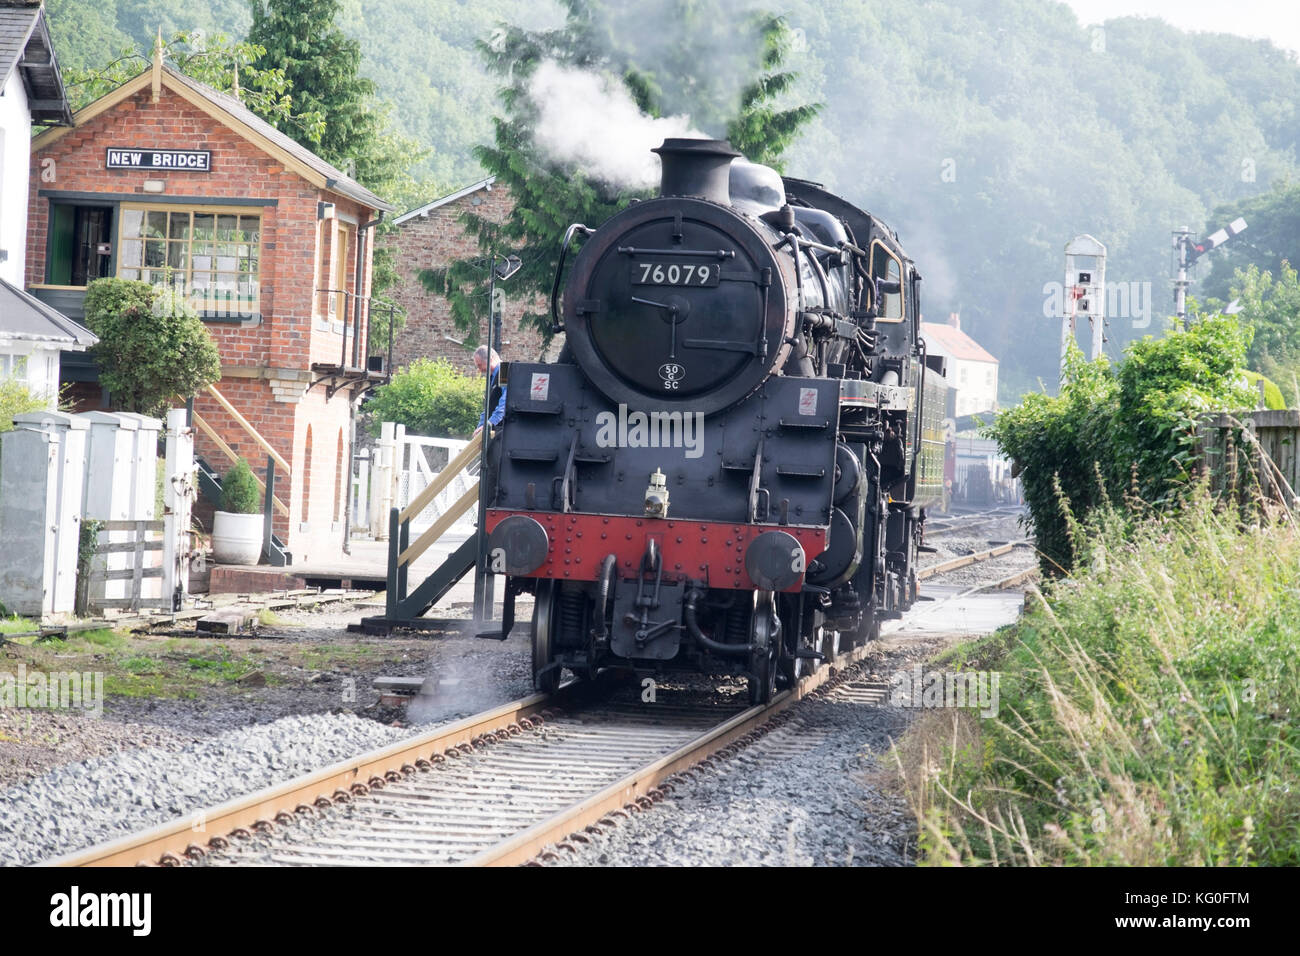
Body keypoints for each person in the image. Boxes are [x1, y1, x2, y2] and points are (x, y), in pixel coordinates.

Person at [473, 345, 506, 437]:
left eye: (480, 365)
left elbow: (504, 405)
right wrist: (479, 428)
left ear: (490, 359)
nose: (479, 370)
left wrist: (488, 426)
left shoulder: (504, 372)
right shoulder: (492, 377)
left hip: (501, 432)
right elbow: (488, 407)